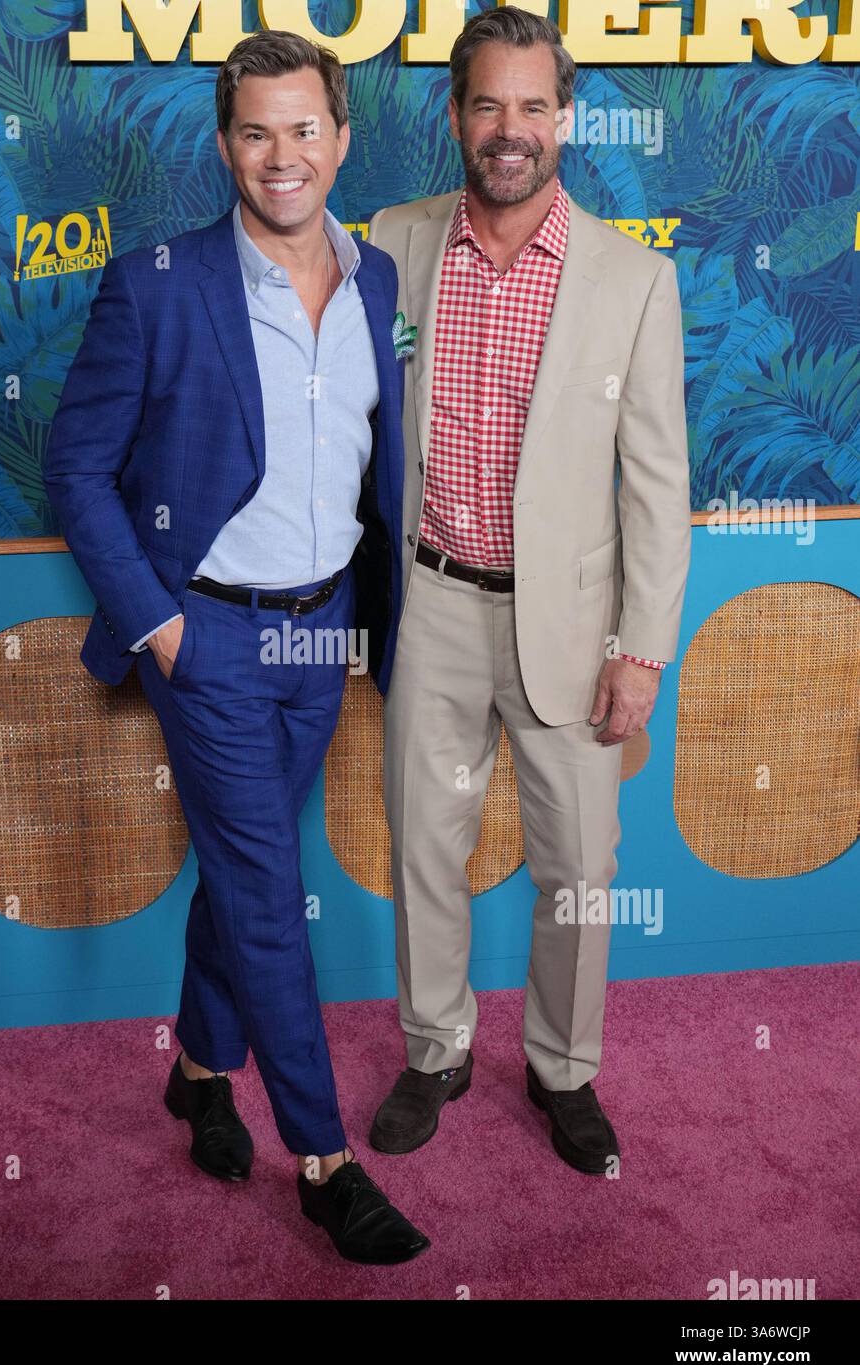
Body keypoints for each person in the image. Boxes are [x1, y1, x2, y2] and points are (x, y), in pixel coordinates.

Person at [44, 30, 428, 1264]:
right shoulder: (158, 282)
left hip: (321, 632)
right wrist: (156, 622)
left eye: (304, 129)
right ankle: (321, 1160)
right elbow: (75, 464)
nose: (282, 156)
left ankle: (202, 1069)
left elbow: (378, 470)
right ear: (224, 145)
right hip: (203, 632)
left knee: (238, 862)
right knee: (267, 889)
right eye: (255, 131)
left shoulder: (372, 282)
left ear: (342, 138)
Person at [366, 6, 690, 1171]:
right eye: (486, 105)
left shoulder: (633, 278)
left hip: (572, 622)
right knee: (423, 847)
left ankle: (561, 1068)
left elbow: (657, 484)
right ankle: (433, 1049)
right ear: (454, 116)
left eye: (532, 106)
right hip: (430, 601)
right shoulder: (388, 243)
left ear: (567, 118)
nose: (509, 129)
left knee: (580, 871)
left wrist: (640, 649)